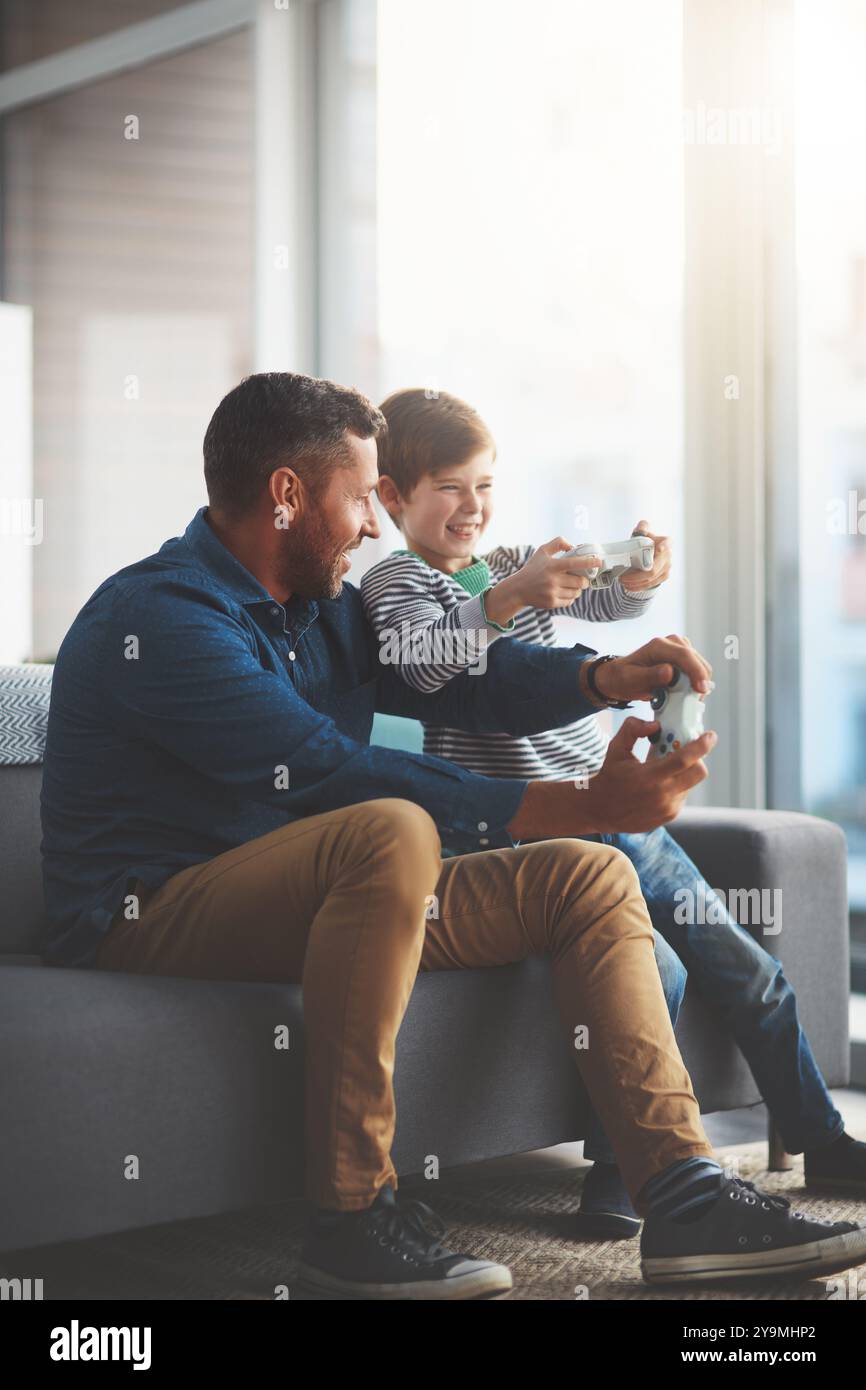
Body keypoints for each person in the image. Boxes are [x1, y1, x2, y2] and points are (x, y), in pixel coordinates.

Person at [41, 372, 866, 1300]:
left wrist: (607, 679)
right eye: (360, 497)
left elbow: (476, 680)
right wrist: (585, 798)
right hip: (152, 911)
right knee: (390, 824)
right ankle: (352, 1217)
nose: (368, 526)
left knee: (586, 876)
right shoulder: (161, 619)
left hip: (321, 894)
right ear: (286, 495)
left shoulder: (325, 614)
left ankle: (684, 1199)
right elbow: (325, 767)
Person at [360, 386, 866, 1241]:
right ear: (392, 496)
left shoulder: (514, 558)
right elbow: (421, 664)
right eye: (449, 487)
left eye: (484, 485)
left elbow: (598, 600)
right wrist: (507, 597)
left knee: (748, 969)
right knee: (657, 977)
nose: (472, 507)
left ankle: (821, 1136)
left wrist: (637, 579)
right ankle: (622, 1173)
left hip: (622, 820)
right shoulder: (396, 585)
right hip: (537, 837)